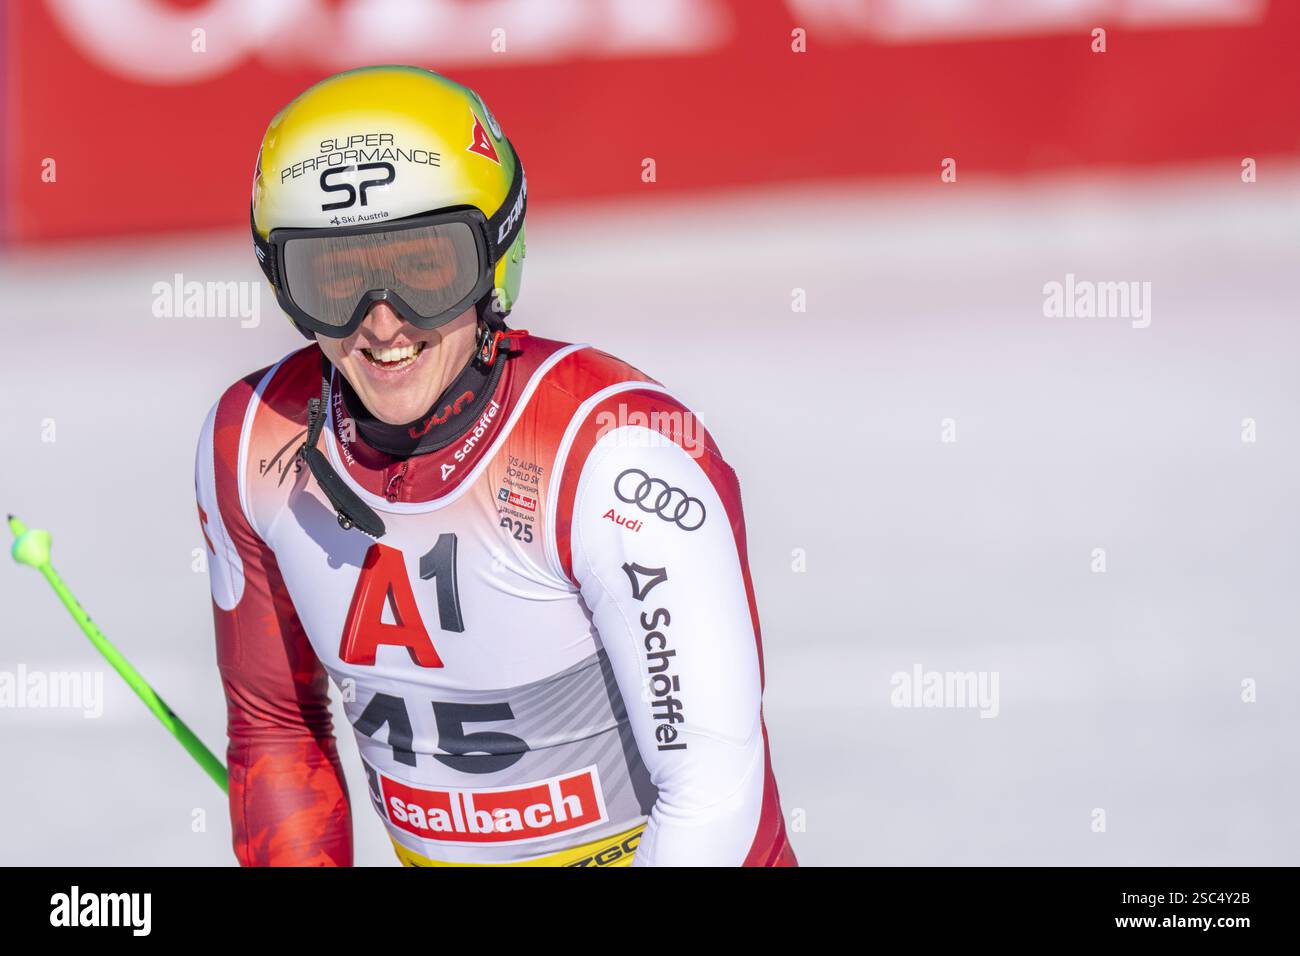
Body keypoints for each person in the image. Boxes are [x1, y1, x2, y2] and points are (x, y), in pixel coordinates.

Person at [195, 65, 796, 866]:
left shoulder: (612, 451)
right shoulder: (250, 445)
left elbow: (713, 790)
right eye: (333, 276)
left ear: (493, 257)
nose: (381, 323)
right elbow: (275, 729)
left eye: (425, 268)